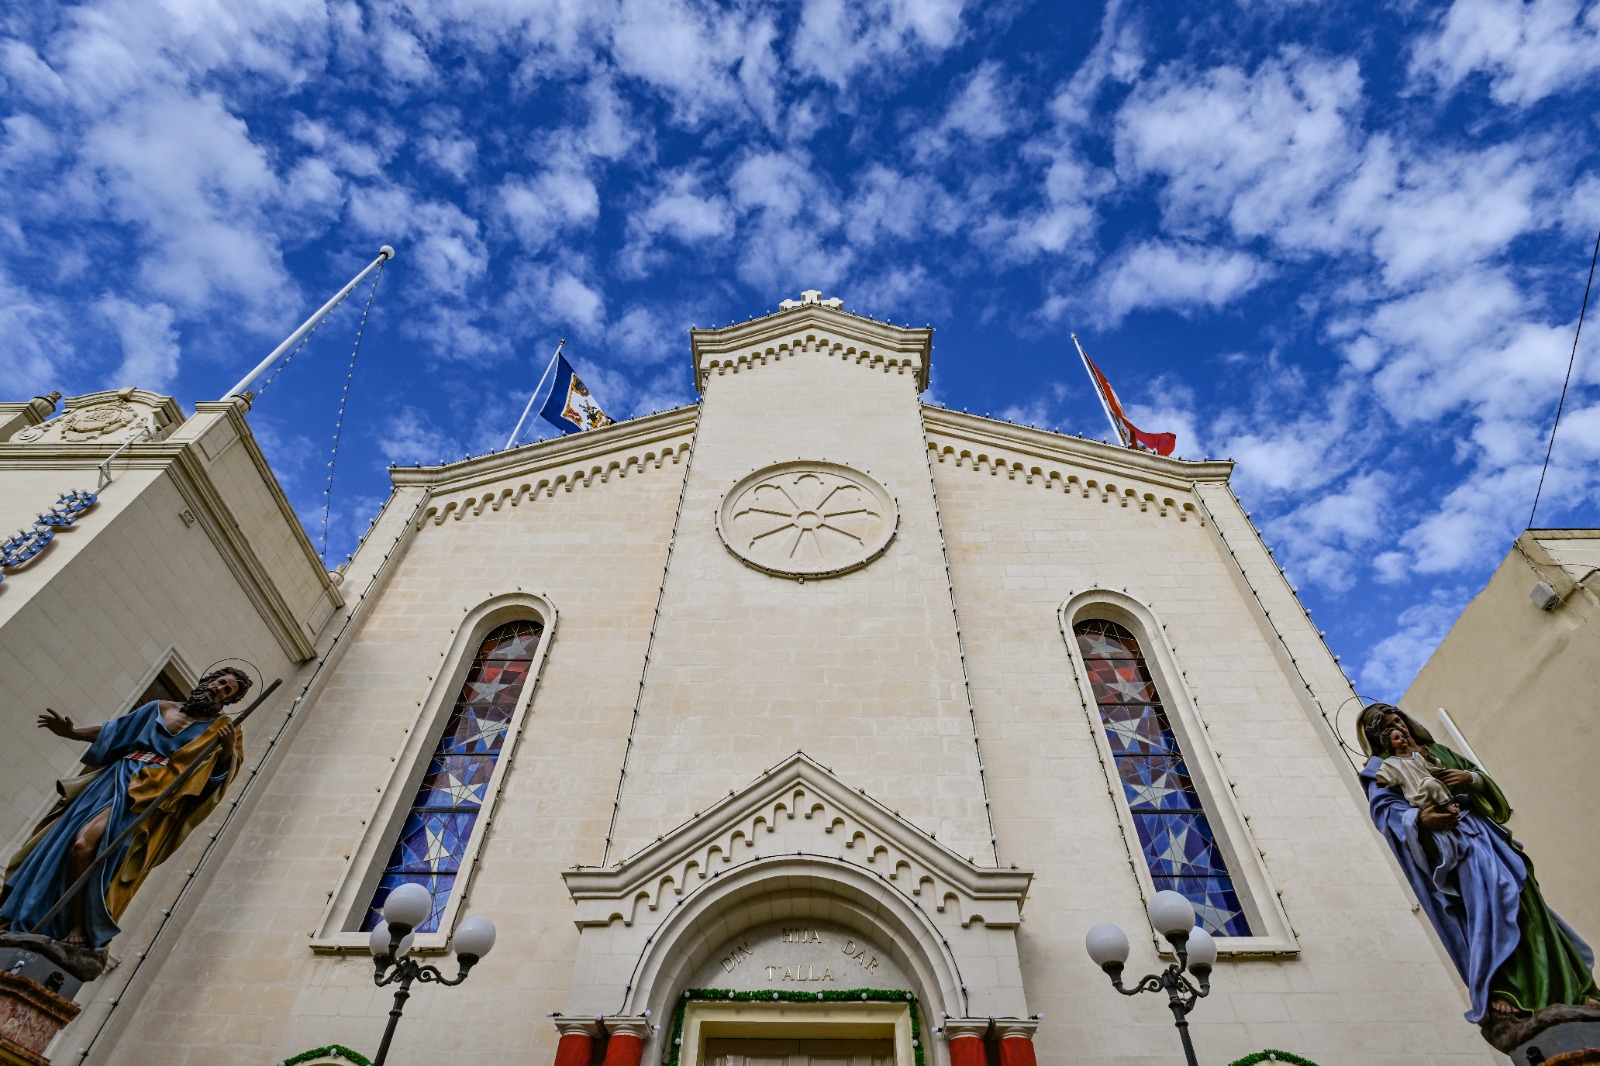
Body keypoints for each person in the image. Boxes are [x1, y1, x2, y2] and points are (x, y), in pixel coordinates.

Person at [1358, 703, 1599, 1032]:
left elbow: (1487, 788)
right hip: (1453, 844)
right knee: (1489, 902)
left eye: (1400, 719)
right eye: (1390, 726)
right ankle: (1504, 989)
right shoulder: (1382, 768)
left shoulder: (1436, 751)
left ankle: (1573, 988)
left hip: (1484, 833)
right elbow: (1385, 810)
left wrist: (1469, 777)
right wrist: (1419, 818)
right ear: (1381, 737)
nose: (1400, 728)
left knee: (1526, 899)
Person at [0, 668, 249, 954]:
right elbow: (114, 732)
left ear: (230, 700)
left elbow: (214, 783)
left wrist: (228, 751)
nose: (220, 689)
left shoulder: (224, 729)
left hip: (148, 796)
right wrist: (71, 732)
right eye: (220, 682)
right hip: (111, 782)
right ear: (208, 679)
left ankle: (81, 925)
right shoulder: (159, 707)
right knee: (60, 844)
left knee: (85, 847)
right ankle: (30, 915)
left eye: (228, 690)